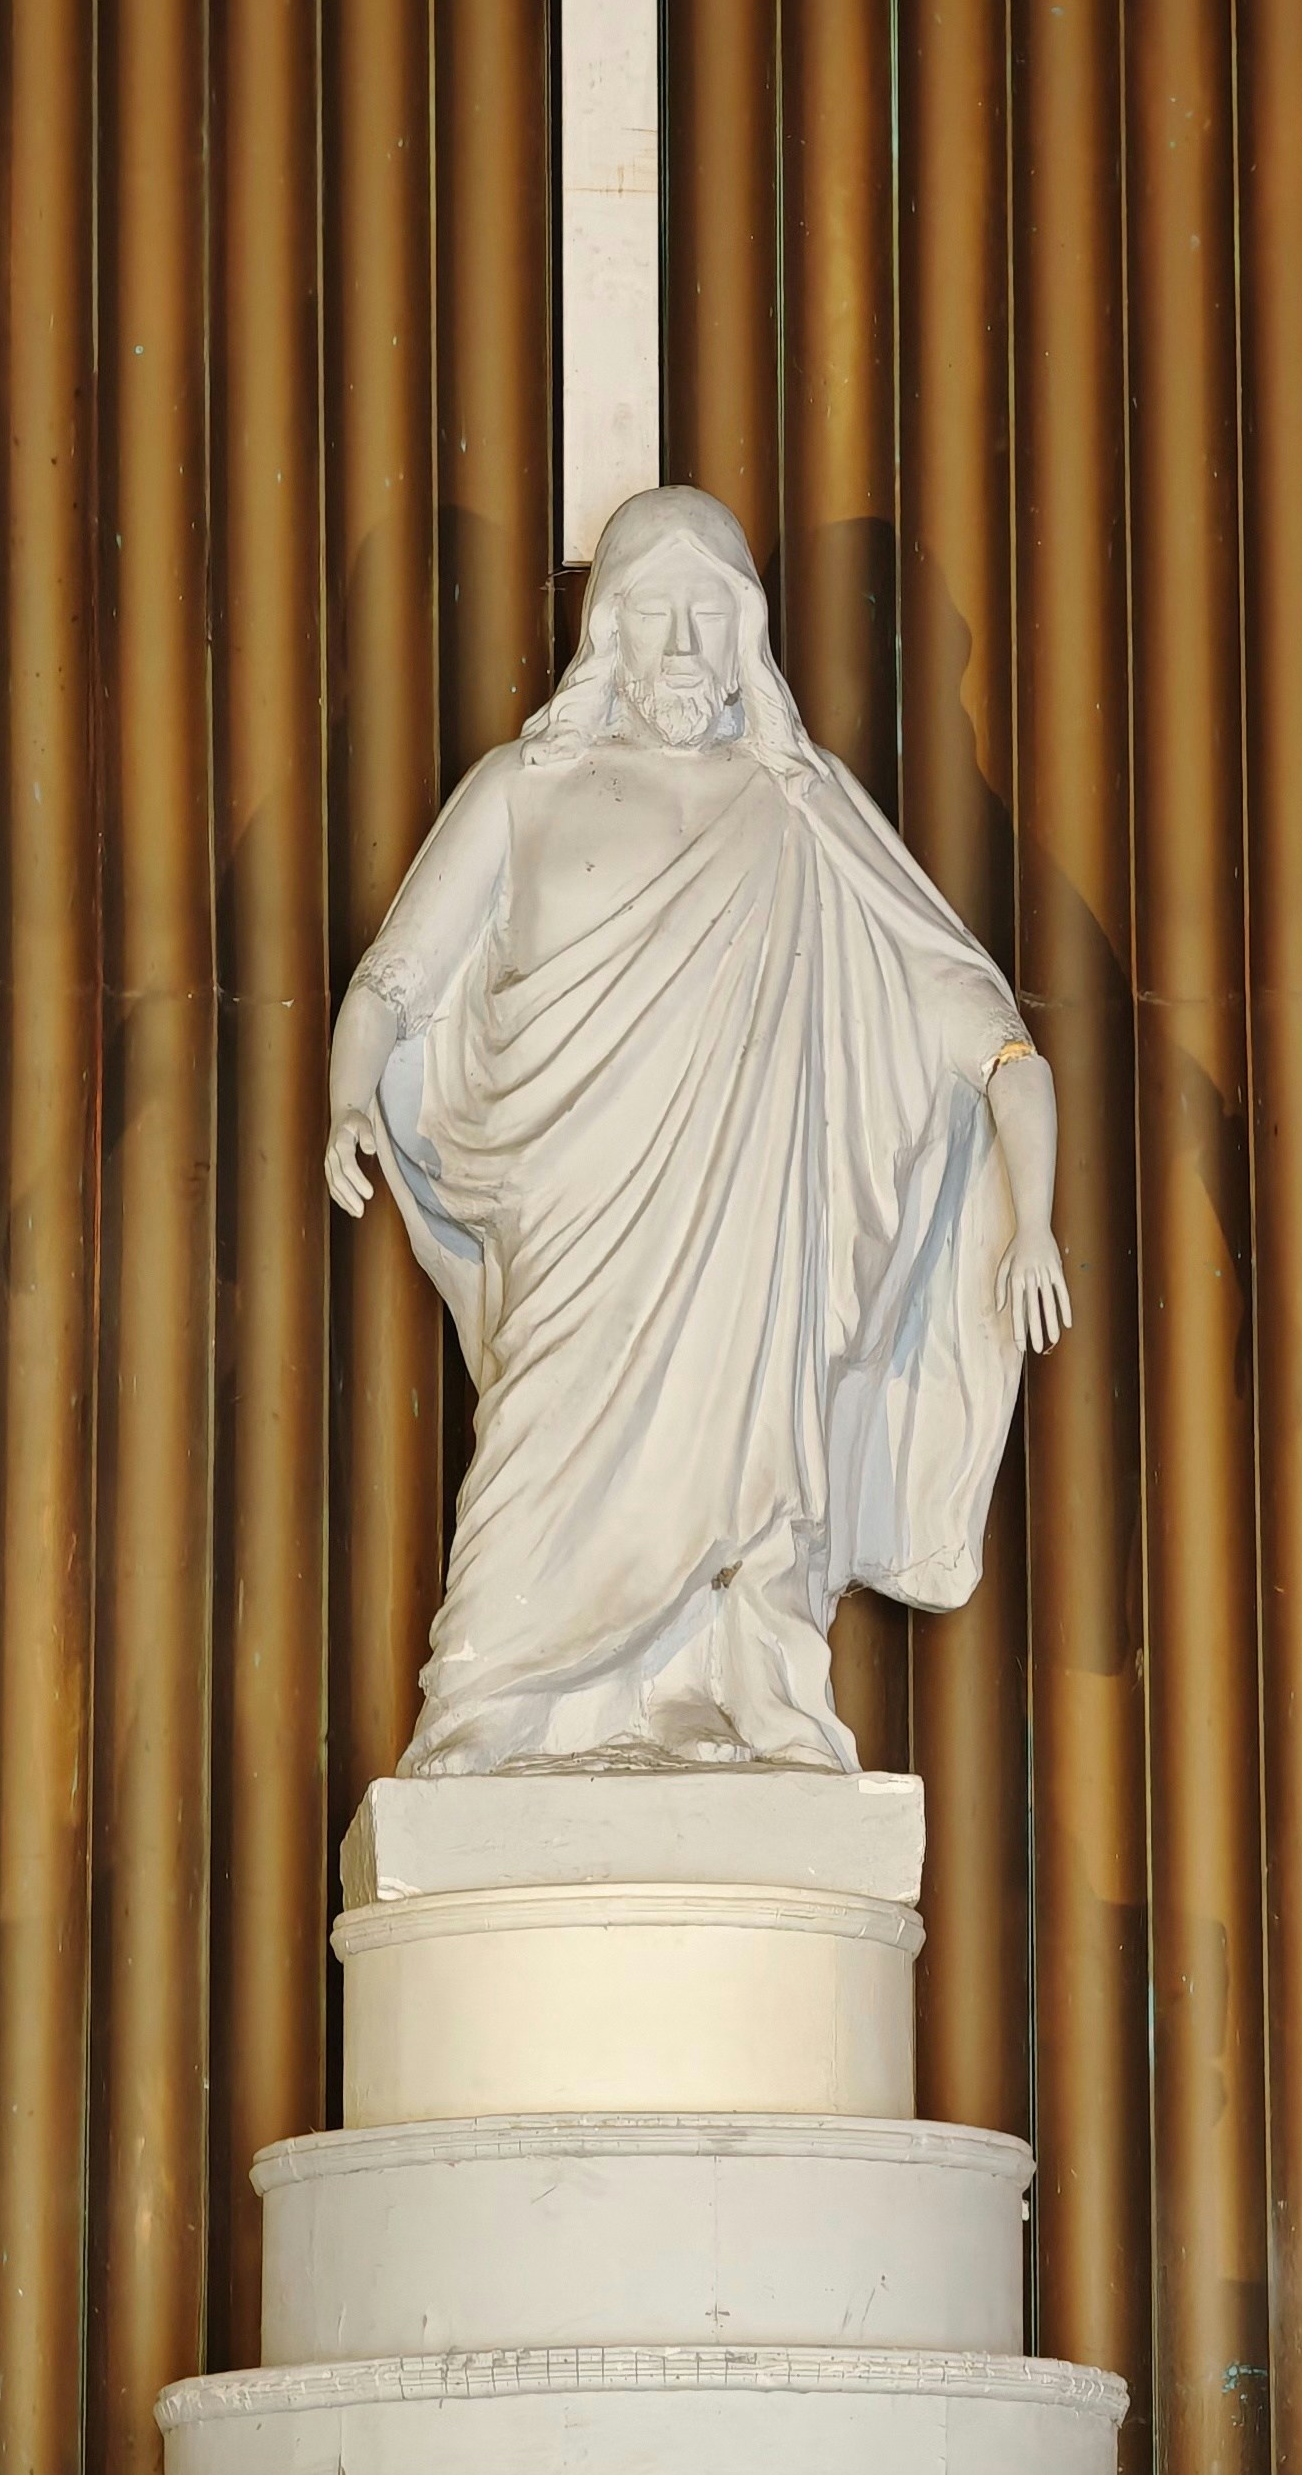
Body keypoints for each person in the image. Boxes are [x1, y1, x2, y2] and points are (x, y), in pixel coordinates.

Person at [324, 484, 1070, 1774]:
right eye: (652, 613)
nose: (679, 651)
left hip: (749, 1233)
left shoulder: (801, 804)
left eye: (706, 616)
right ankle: (492, 1710)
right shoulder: (525, 789)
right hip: (575, 1221)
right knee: (536, 1460)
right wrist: (348, 1093)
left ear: (749, 634)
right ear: (606, 630)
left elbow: (984, 1026)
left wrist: (1034, 1214)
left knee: (752, 1454)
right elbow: (397, 982)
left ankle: (735, 1696)